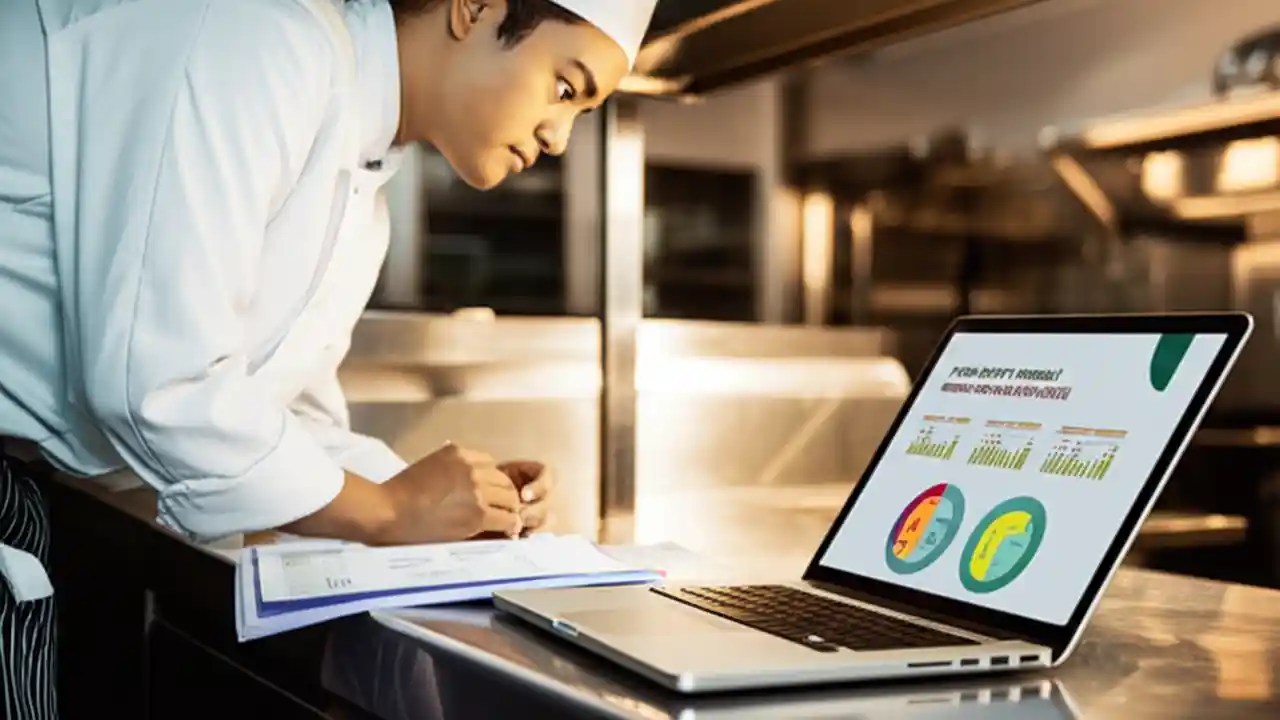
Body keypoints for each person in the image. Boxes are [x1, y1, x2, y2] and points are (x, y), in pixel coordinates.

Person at [0, 0, 659, 715]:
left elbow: (285, 425)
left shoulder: (361, 191)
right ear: (475, 9)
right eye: (566, 87)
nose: (560, 137)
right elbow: (159, 387)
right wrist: (384, 509)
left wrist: (457, 505)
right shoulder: (261, 35)